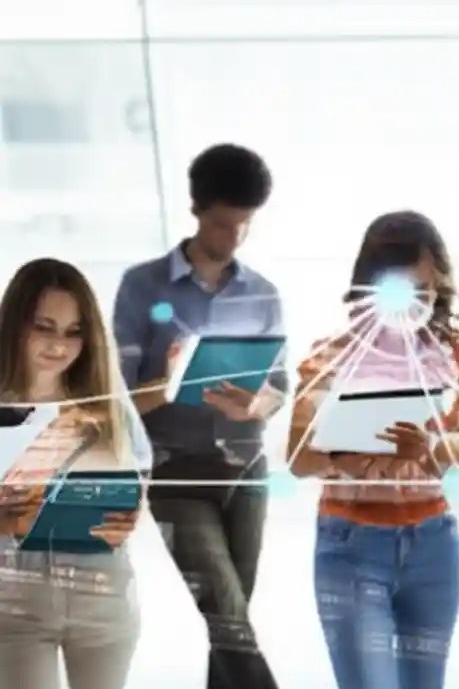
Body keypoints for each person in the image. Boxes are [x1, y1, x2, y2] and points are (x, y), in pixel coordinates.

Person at [111, 143, 286, 689]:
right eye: (221, 223)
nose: (233, 237)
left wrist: (256, 403)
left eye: (245, 225)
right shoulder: (142, 287)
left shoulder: (263, 293)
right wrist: (167, 385)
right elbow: (116, 403)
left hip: (246, 470)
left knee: (228, 623)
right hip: (175, 472)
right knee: (229, 615)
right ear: (195, 210)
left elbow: (280, 385)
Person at [287, 210, 459, 689]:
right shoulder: (330, 355)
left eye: (426, 291)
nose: (415, 305)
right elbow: (296, 459)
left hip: (434, 543)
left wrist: (430, 449)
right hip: (350, 544)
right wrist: (339, 457)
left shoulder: (457, 356)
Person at [0, 258, 152, 689]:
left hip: (102, 595)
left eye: (73, 332)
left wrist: (127, 513)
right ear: (14, 325)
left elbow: (138, 473)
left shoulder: (105, 399)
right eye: (43, 327)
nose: (58, 345)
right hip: (13, 602)